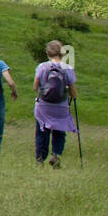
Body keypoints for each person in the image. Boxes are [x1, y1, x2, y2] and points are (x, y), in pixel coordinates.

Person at [33, 40, 78, 168]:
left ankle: (40, 160)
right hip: (61, 107)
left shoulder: (42, 67)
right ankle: (55, 155)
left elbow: (35, 87)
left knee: (42, 132)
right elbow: (74, 92)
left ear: (47, 53)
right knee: (59, 132)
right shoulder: (68, 69)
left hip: (43, 106)